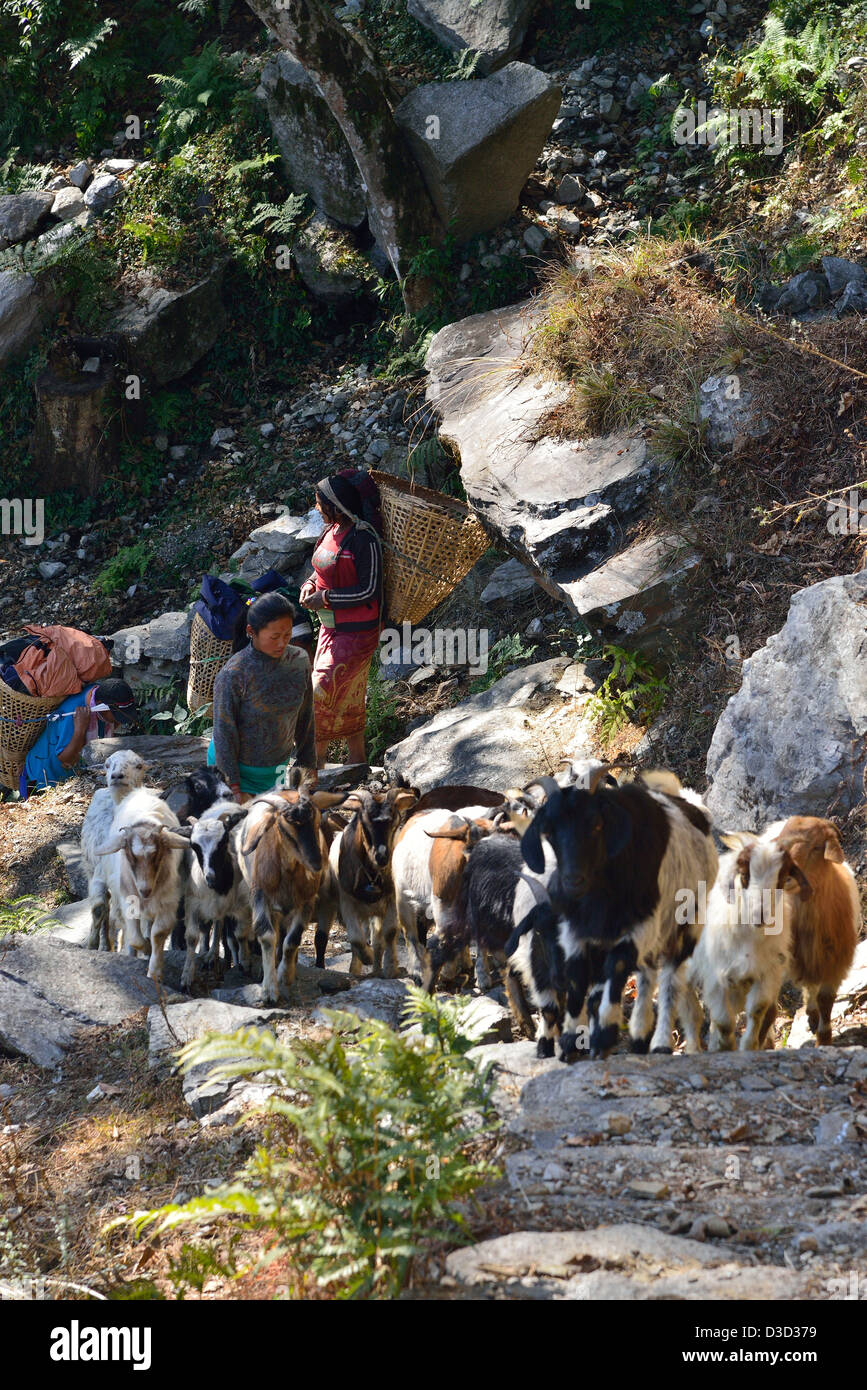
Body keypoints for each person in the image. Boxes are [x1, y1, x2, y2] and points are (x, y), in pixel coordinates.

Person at [300, 473, 383, 766]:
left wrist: (324, 598)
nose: (316, 507)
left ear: (336, 506)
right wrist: (309, 585)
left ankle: (315, 763)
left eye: (320, 502)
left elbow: (370, 589)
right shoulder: (330, 531)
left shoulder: (364, 539)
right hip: (330, 627)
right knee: (349, 692)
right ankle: (357, 760)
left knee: (318, 690)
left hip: (358, 632)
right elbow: (320, 571)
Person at [209, 591, 316, 802]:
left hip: (275, 769)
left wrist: (308, 766)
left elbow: (306, 716)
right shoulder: (234, 674)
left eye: (287, 635)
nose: (281, 643)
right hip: (234, 771)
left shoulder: (299, 660)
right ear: (251, 631)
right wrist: (232, 786)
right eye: (274, 637)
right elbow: (224, 734)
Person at [23, 677, 137, 791]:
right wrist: (80, 729)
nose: (119, 723)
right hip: (43, 777)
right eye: (117, 717)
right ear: (100, 705)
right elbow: (66, 760)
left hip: (69, 776)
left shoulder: (97, 696)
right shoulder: (73, 714)